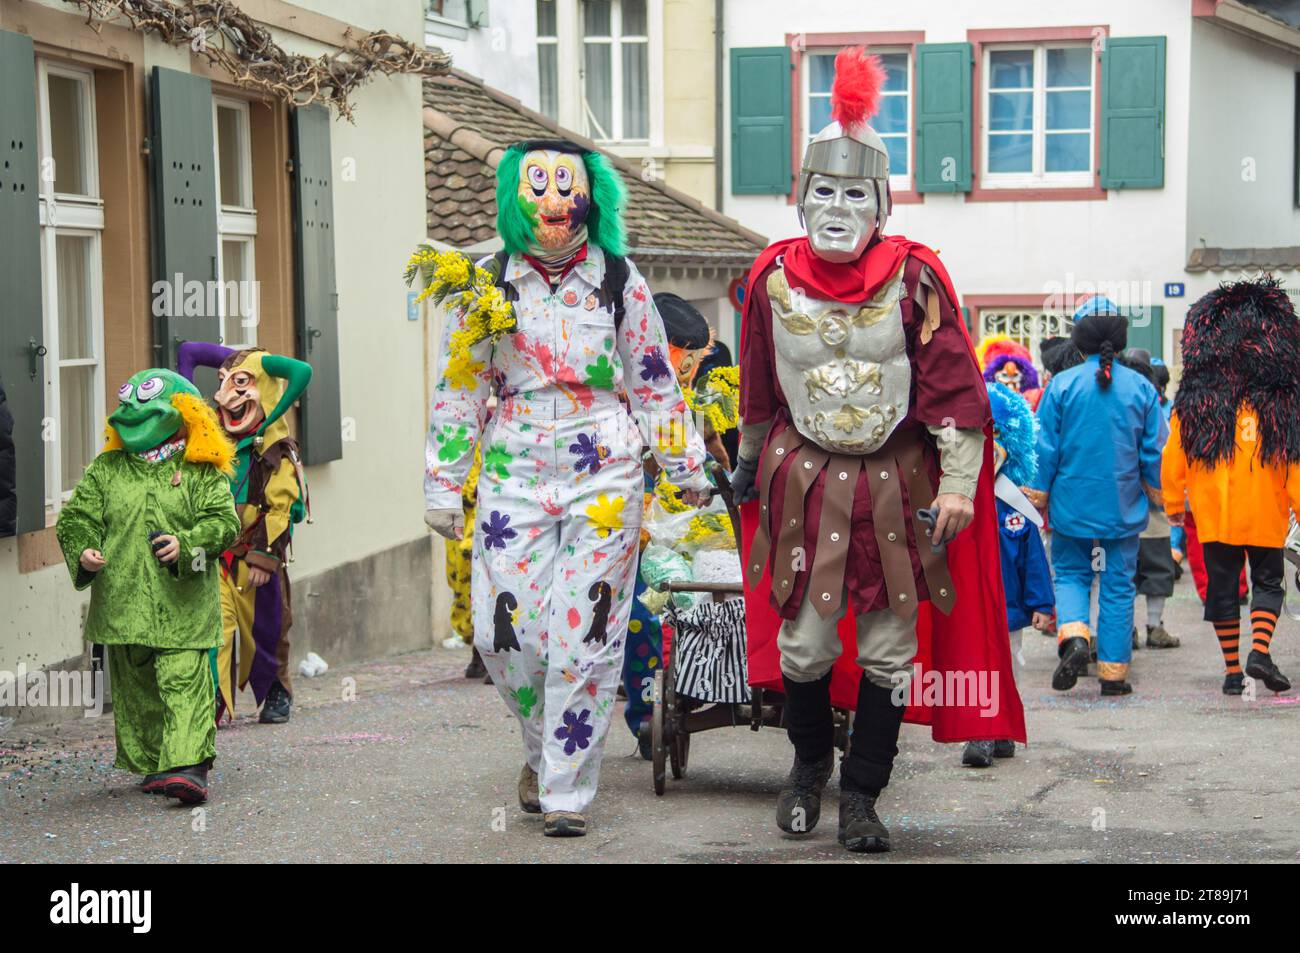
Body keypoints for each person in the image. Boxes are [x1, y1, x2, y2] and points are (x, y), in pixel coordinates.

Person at [732, 47, 1024, 854]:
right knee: (805, 643)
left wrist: (961, 482)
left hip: (897, 483)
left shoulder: (916, 277)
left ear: (880, 203)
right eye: (821, 190)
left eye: (852, 192)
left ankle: (862, 795)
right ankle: (806, 769)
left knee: (893, 649)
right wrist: (749, 457)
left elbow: (954, 393)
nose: (835, 206)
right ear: (800, 198)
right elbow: (759, 383)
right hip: (805, 481)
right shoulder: (768, 280)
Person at [422, 138, 711, 837]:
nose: (554, 200)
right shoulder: (485, 282)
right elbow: (460, 385)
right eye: (538, 185)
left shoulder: (620, 280)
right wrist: (443, 480)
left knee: (584, 631)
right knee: (506, 628)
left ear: (592, 195)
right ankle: (543, 748)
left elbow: (653, 380)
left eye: (567, 186)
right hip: (513, 466)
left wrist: (686, 466)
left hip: (604, 468)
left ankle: (565, 793)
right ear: (514, 195)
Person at [55, 369, 239, 804]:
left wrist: (189, 543)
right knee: (138, 690)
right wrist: (84, 548)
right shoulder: (107, 469)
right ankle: (160, 763)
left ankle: (189, 766)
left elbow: (224, 523)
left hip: (183, 605)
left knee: (182, 680)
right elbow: (77, 518)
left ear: (185, 414)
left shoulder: (199, 470)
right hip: (123, 604)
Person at [1162, 276, 1300, 695]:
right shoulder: (1280, 404)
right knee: (1268, 583)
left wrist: (1173, 503)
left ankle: (1233, 671)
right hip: (1266, 511)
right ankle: (1260, 650)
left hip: (1213, 513)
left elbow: (1173, 457)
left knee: (1223, 590)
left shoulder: (1194, 403)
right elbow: (1293, 463)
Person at [1029, 296, 1167, 696]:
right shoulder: (1142, 388)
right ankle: (1113, 675)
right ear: (1120, 342)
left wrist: (1039, 492)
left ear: (1079, 340)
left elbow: (1044, 447)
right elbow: (1154, 451)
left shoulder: (1061, 386)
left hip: (1072, 506)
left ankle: (1074, 638)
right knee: (1118, 585)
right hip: (1121, 509)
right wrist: (1159, 494)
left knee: (1072, 574)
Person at [178, 344, 312, 725]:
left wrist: (265, 555)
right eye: (222, 383)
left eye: (239, 383)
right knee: (215, 628)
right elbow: (186, 351)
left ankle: (275, 691)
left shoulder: (277, 451)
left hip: (256, 556)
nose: (224, 396)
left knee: (268, 628)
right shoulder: (215, 444)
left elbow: (283, 504)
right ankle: (213, 700)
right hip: (218, 556)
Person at [963, 382, 1053, 767]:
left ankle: (999, 726)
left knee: (1009, 661)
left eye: (998, 434)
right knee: (971, 663)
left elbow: (1032, 559)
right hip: (967, 604)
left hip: (1009, 605)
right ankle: (978, 731)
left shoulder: (1015, 504)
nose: (990, 444)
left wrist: (1042, 603)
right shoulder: (954, 498)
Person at [1117, 348, 1179, 649]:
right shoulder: (1151, 401)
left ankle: (1124, 629)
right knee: (1157, 570)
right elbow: (1161, 450)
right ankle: (1154, 626)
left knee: (1121, 573)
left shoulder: (1112, 395)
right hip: (1151, 508)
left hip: (1117, 505)